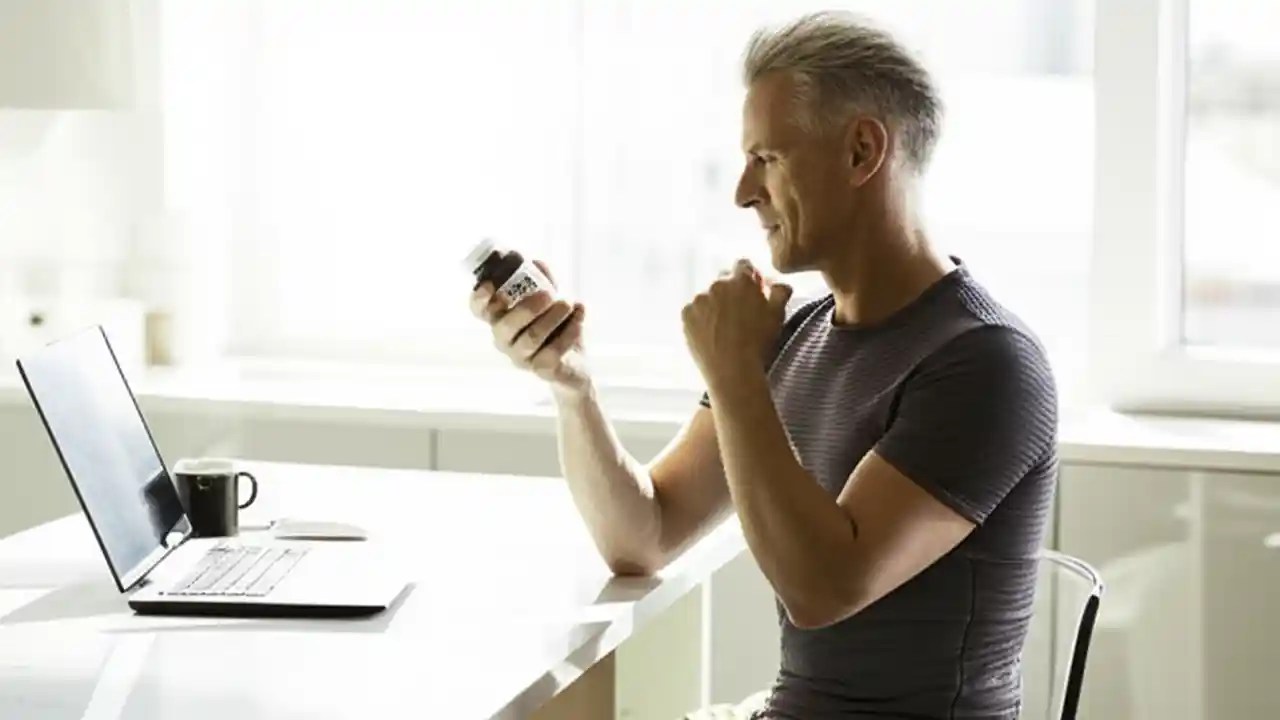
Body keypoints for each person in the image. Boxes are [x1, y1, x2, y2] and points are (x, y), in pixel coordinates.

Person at [469, 11, 1058, 720]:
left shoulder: (987, 363)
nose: (743, 192)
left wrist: (734, 372)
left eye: (767, 159)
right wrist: (573, 385)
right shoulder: (797, 335)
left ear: (861, 151)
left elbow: (823, 590)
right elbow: (644, 537)